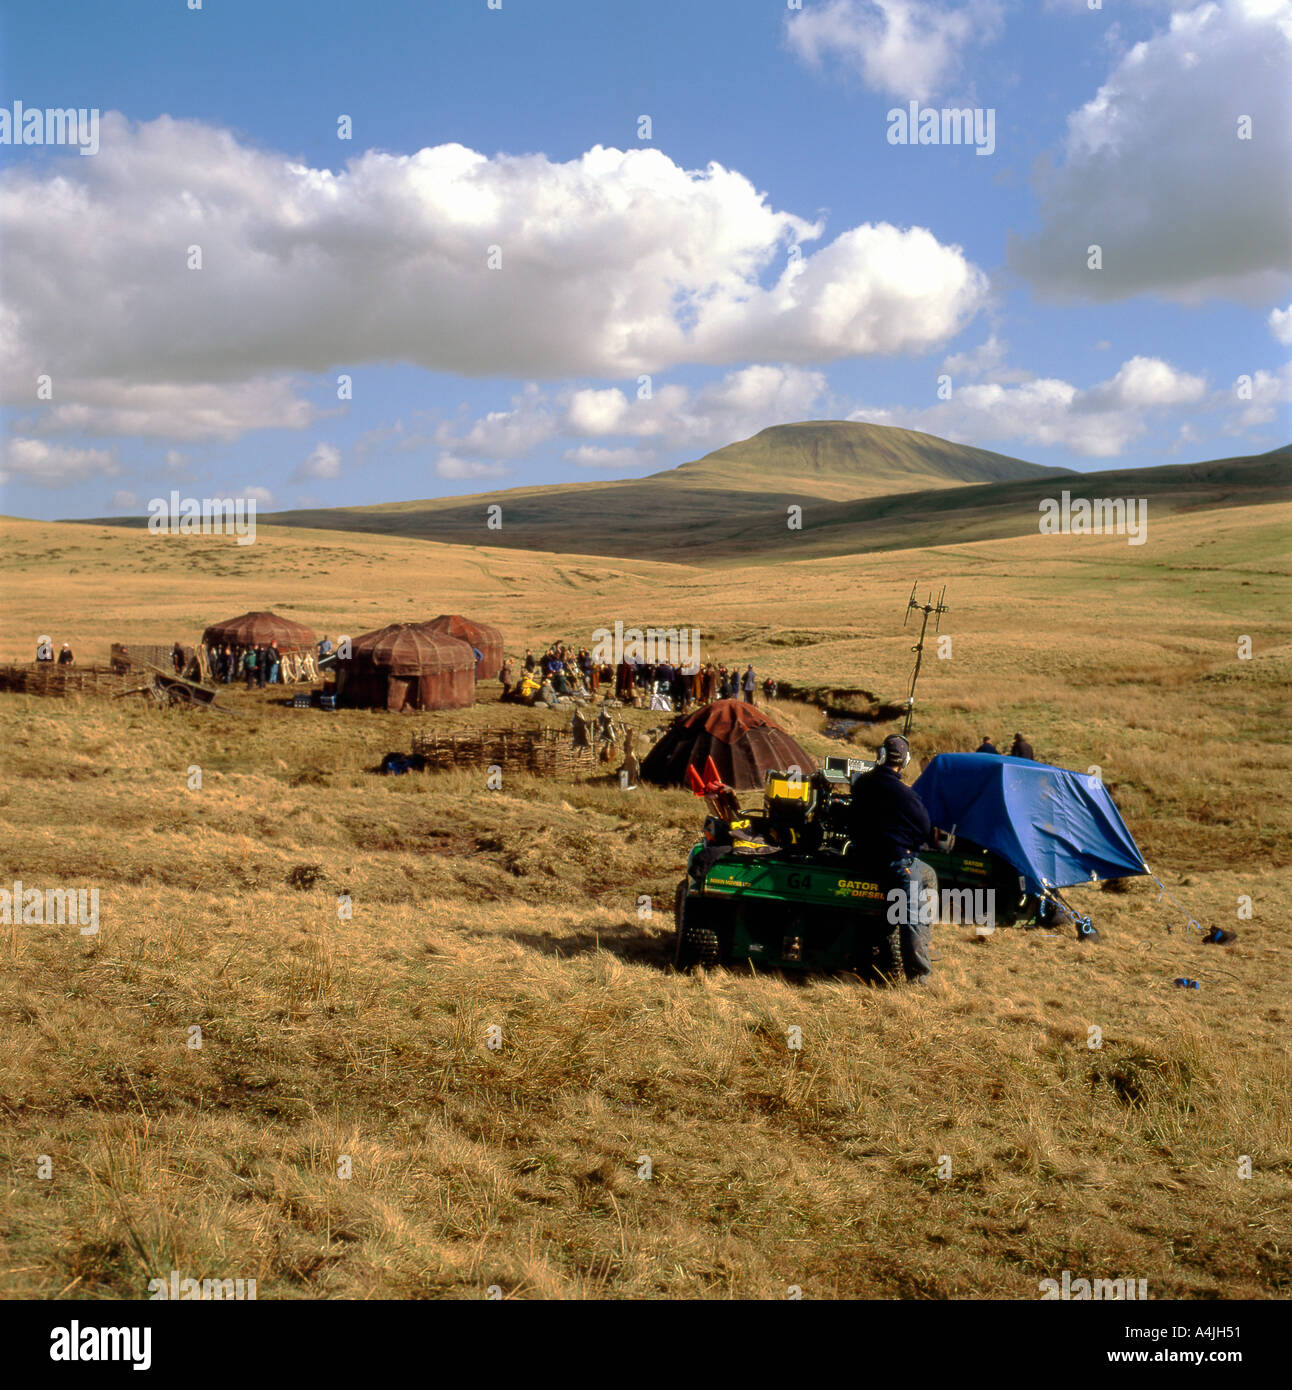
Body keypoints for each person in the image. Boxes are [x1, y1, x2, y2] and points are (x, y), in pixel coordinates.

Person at [848, 735, 938, 983]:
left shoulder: (862, 784)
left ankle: (915, 947)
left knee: (928, 875)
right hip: (896, 862)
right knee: (913, 917)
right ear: (906, 761)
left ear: (880, 755)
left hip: (866, 857)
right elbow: (924, 828)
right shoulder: (906, 796)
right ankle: (919, 978)